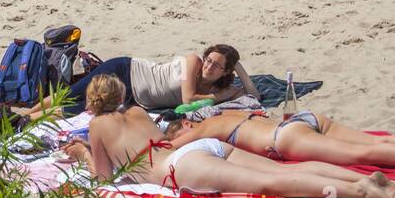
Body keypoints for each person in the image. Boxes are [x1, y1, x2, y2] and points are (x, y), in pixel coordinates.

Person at [61, 75, 395, 198]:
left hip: (180, 167)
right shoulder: (136, 110)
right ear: (120, 95)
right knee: (285, 169)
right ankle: (357, 176)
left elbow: (103, 178)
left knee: (273, 182)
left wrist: (83, 154)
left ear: (92, 103)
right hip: (193, 150)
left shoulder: (97, 127)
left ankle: (360, 190)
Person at [164, 109, 395, 187]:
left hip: (285, 140)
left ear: (188, 124)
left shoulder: (202, 127)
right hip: (304, 119)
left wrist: (172, 135)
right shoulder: (228, 112)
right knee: (377, 141)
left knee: (364, 155)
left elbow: (169, 146)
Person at [19, 44, 255, 117]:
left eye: (217, 66)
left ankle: (25, 123)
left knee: (81, 108)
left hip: (134, 98)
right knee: (71, 94)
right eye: (209, 60)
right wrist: (219, 97)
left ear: (226, 71)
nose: (209, 66)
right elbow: (188, 98)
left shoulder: (221, 86)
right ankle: (27, 114)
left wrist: (239, 70)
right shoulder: (193, 61)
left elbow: (254, 96)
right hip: (126, 71)